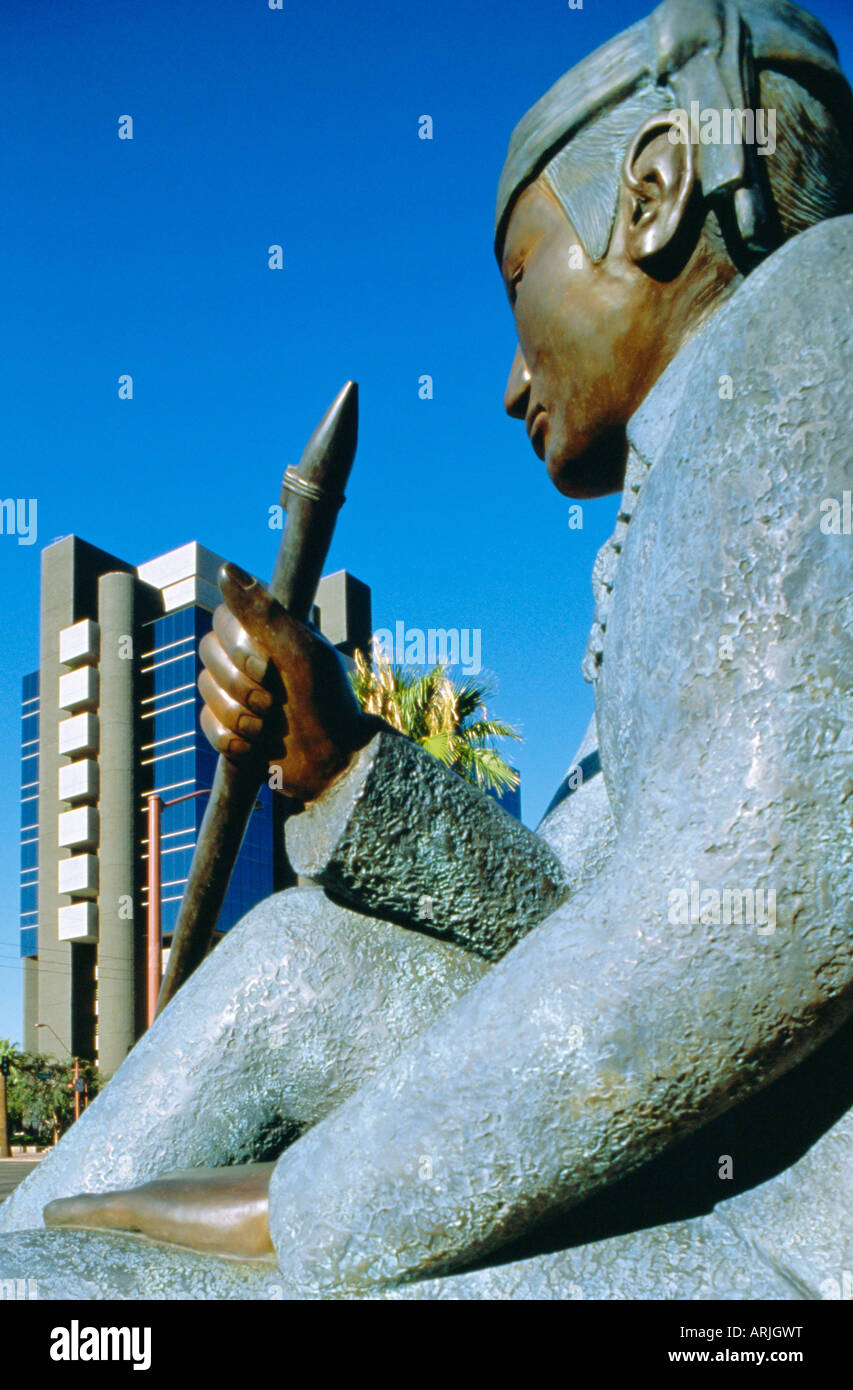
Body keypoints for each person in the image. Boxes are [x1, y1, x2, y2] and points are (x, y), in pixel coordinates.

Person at [1, 0, 851, 1299]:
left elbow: (761, 896)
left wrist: (313, 1201)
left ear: (656, 192)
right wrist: (339, 758)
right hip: (708, 1149)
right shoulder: (690, 468)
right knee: (283, 972)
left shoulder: (812, 329)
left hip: (782, 1241)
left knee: (89, 1296)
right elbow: (578, 917)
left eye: (520, 286)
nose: (511, 379)